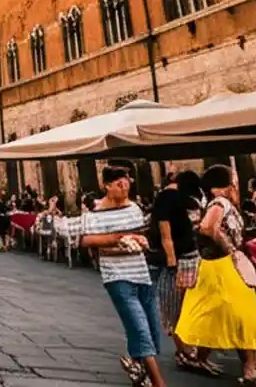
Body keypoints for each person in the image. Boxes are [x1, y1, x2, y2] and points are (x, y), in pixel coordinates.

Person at [175, 165, 256, 387]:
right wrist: (229, 247)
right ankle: (250, 369)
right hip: (222, 267)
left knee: (221, 315)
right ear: (223, 185)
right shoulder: (220, 203)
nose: (235, 185)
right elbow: (207, 227)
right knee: (243, 314)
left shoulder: (222, 204)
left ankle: (205, 358)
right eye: (231, 181)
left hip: (219, 267)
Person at [79, 166, 165, 387]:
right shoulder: (94, 214)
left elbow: (140, 234)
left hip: (142, 274)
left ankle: (136, 365)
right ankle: (158, 382)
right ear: (106, 186)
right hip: (117, 277)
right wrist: (118, 239)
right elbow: (87, 241)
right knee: (139, 327)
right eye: (119, 184)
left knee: (154, 331)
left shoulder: (134, 208)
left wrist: (141, 241)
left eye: (127, 184)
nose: (124, 188)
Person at [148, 171, 217, 376]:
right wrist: (171, 263)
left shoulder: (172, 197)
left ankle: (189, 351)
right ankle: (186, 352)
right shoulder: (169, 198)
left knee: (182, 306)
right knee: (177, 306)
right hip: (183, 258)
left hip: (186, 257)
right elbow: (165, 233)